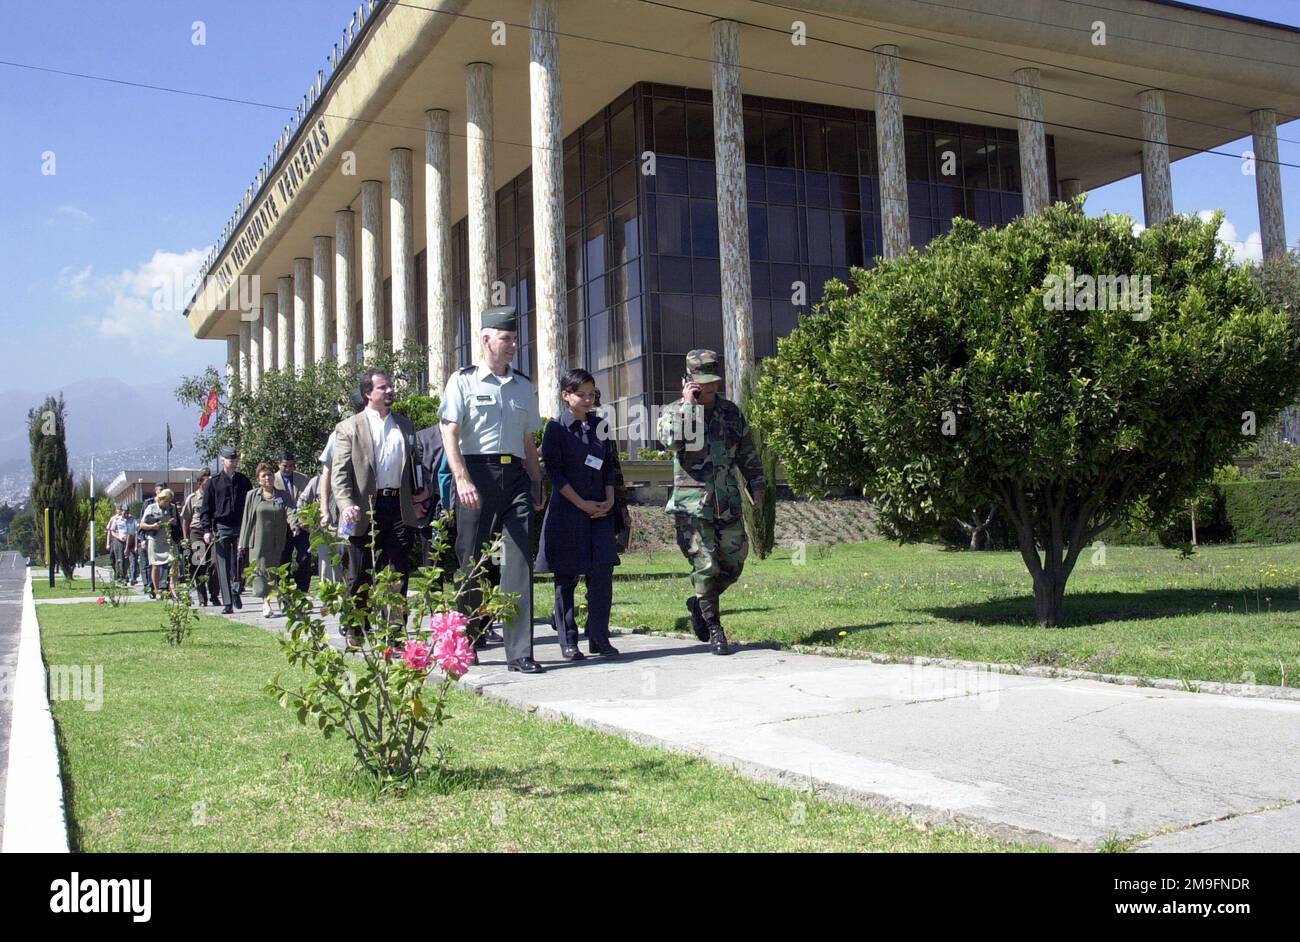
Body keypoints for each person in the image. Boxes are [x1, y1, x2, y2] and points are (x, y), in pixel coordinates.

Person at [440, 305, 546, 674]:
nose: (514, 344)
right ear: (486, 340)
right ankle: (463, 641)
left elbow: (528, 438)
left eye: (516, 338)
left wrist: (535, 482)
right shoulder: (464, 381)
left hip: (515, 477)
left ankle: (520, 652)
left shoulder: (522, 385)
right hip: (477, 474)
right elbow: (449, 432)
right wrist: (462, 478)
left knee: (519, 562)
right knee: (469, 560)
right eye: (507, 338)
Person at [656, 349, 766, 655]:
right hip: (693, 505)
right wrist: (689, 408)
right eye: (703, 382)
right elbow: (670, 442)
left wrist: (757, 484)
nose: (710, 387)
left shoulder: (730, 412)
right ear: (689, 381)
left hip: (727, 500)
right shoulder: (672, 411)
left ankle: (699, 602)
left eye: (714, 381)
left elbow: (747, 452)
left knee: (733, 563)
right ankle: (715, 627)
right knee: (705, 566)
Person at [332, 368, 427, 648]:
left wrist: (421, 492)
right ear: (367, 393)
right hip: (364, 509)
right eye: (383, 388)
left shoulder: (405, 426)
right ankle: (356, 626)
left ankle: (395, 632)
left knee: (396, 571)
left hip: (398, 506)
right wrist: (346, 505)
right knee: (359, 571)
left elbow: (415, 464)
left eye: (390, 387)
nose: (389, 391)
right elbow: (340, 474)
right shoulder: (349, 427)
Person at [536, 369, 621, 659]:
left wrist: (609, 498)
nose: (587, 400)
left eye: (591, 394)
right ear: (566, 396)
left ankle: (599, 635)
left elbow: (609, 466)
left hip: (600, 511)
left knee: (602, 574)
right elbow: (554, 473)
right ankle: (568, 640)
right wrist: (581, 503)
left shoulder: (601, 426)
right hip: (569, 513)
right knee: (566, 577)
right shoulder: (556, 428)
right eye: (581, 394)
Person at [200, 445, 253, 614]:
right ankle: (228, 602)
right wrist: (207, 529)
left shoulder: (244, 481)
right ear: (223, 460)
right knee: (222, 565)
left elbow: (250, 506)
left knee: (239, 562)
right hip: (221, 527)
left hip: (240, 526)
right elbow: (206, 508)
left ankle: (237, 589)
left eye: (235, 459)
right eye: (231, 459)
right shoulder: (213, 482)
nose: (233, 462)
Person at [241, 463, 289, 618]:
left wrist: (296, 525)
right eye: (264, 476)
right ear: (258, 480)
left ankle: (277, 600)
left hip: (277, 540)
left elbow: (291, 512)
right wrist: (243, 542)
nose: (268, 478)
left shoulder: (282, 495)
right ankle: (266, 603)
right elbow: (247, 519)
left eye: (270, 474)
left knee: (274, 572)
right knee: (261, 572)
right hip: (259, 541)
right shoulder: (252, 495)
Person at [273, 451, 312, 594]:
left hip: (302, 526)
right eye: (285, 466)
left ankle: (301, 590)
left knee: (305, 558)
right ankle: (284, 589)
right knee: (284, 559)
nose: (288, 469)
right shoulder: (273, 480)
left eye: (291, 466)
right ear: (278, 464)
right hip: (283, 527)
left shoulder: (303, 479)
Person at [139, 489, 179, 600]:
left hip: (168, 539)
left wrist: (172, 522)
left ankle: (172, 588)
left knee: (174, 561)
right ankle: (157, 591)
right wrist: (153, 526)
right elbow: (142, 524)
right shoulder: (151, 508)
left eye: (169, 501)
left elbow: (176, 521)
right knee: (155, 565)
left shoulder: (172, 508)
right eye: (165, 501)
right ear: (160, 499)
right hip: (155, 540)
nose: (167, 503)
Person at [106, 504, 131, 581]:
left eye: (121, 509)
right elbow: (110, 531)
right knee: (114, 558)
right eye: (118, 509)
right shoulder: (114, 519)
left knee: (124, 558)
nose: (119, 511)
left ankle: (124, 574)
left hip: (126, 539)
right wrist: (107, 543)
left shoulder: (129, 518)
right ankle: (117, 573)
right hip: (116, 540)